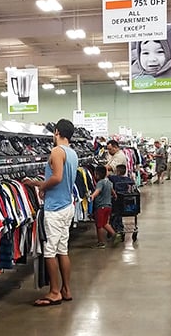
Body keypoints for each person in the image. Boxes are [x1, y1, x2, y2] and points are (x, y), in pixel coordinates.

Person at [24, 118, 78, 306]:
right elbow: (62, 179)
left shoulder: (57, 151)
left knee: (49, 251)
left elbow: (56, 177)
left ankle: (54, 291)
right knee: (63, 249)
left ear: (56, 132)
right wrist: (37, 183)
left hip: (55, 208)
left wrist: (42, 187)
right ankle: (66, 289)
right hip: (67, 206)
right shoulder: (72, 153)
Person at [89, 165, 116, 247]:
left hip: (101, 207)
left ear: (97, 174)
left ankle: (100, 242)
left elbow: (98, 190)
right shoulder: (109, 182)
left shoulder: (100, 183)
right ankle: (114, 234)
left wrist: (92, 196)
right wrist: (114, 196)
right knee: (104, 223)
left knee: (99, 225)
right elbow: (113, 192)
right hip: (108, 206)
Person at [109, 163, 136, 240]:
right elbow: (133, 184)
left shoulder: (114, 178)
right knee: (120, 213)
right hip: (126, 201)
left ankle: (117, 228)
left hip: (116, 201)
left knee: (116, 213)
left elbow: (107, 176)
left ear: (117, 172)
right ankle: (119, 227)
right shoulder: (128, 179)